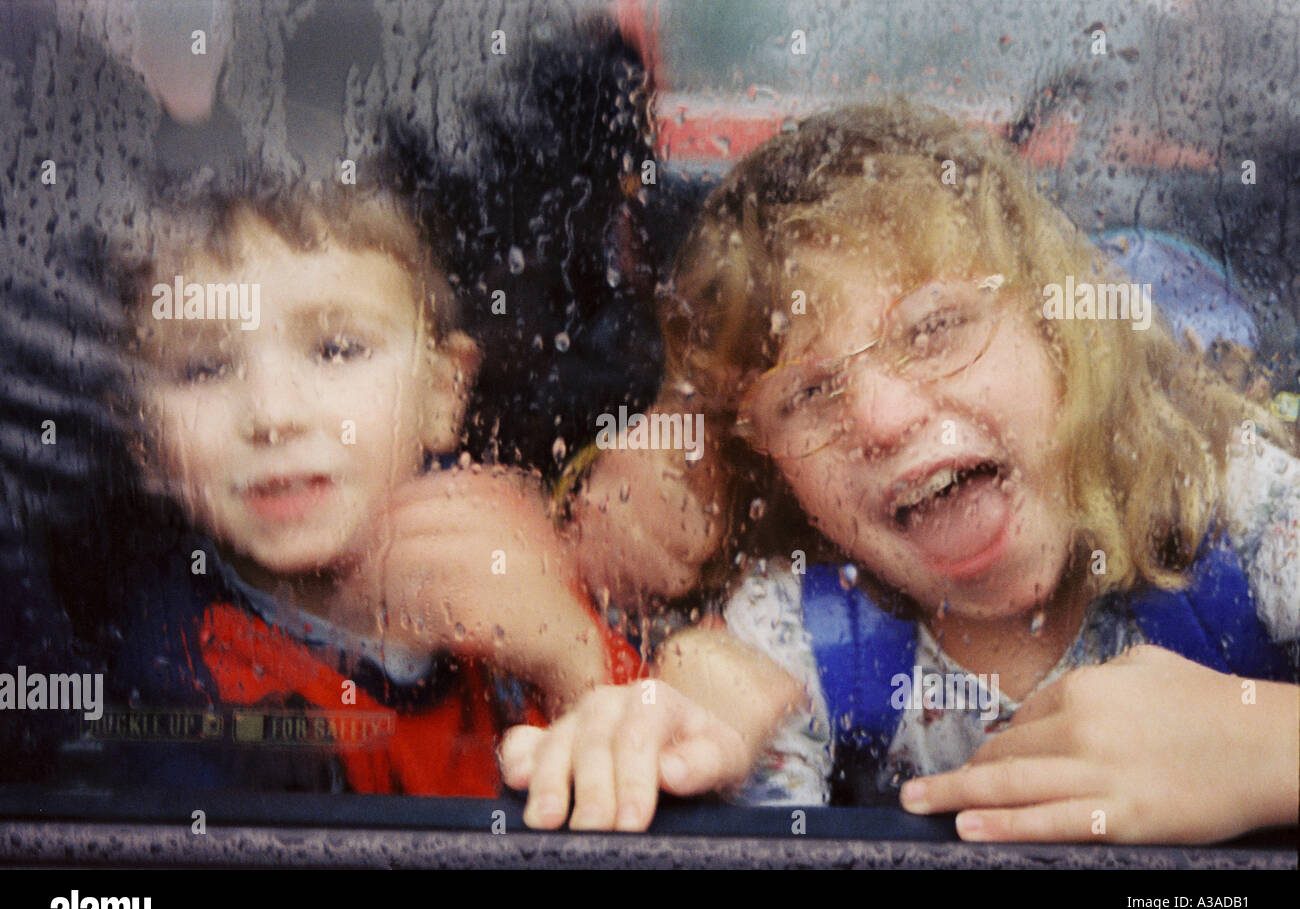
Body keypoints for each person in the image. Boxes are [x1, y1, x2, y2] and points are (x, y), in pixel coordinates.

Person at [509, 101, 1299, 843]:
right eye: (810, 394)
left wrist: (1265, 743)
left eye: (937, 328)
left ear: (1060, 330)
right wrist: (675, 758)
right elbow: (726, 734)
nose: (885, 421)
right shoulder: (803, 635)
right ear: (780, 472)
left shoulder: (1238, 508)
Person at [96, 178, 640, 795]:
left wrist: (568, 654)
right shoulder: (185, 680)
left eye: (335, 350)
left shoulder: (494, 541)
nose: (273, 415)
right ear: (144, 441)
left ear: (441, 393)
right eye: (205, 368)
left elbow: (643, 771)